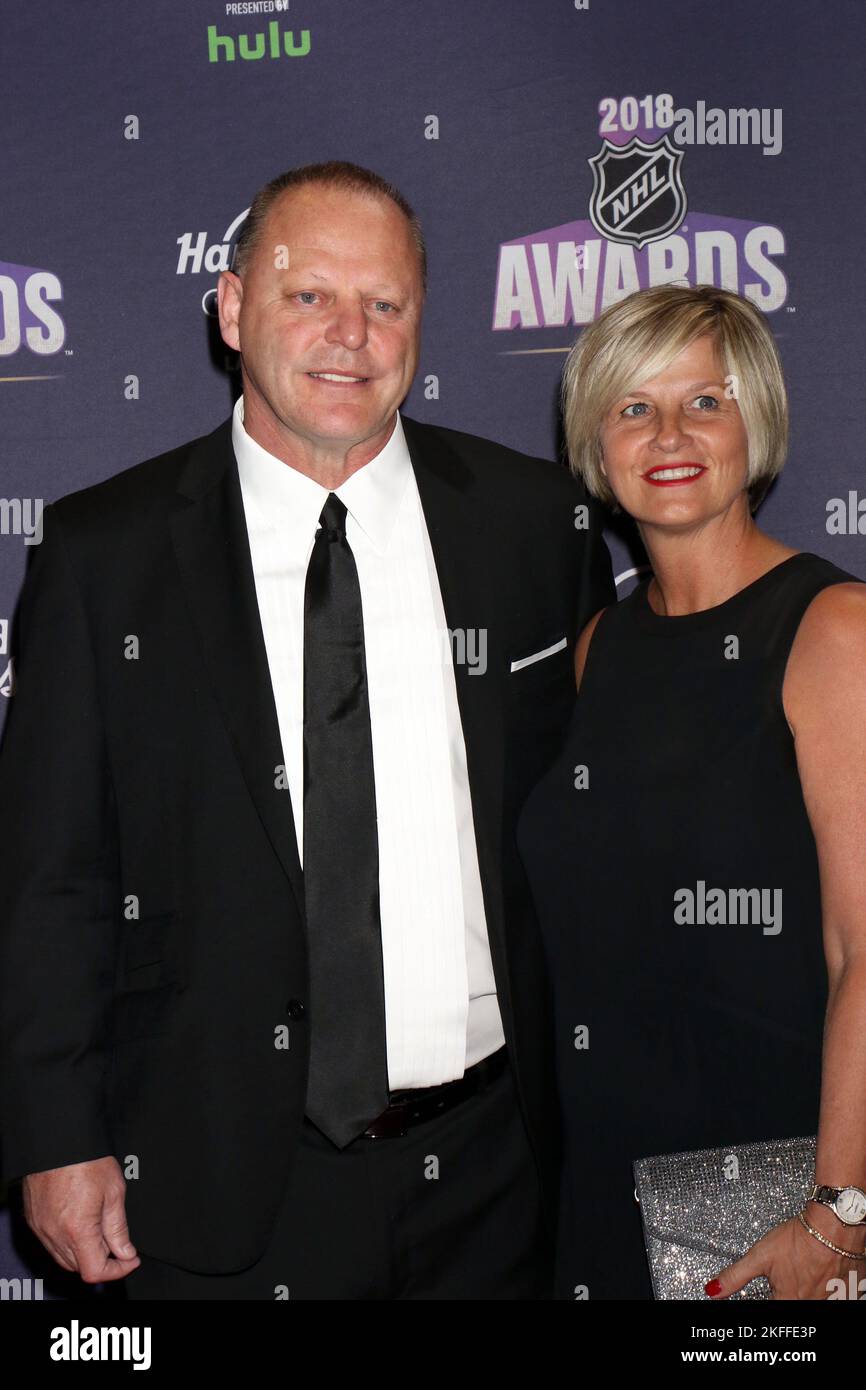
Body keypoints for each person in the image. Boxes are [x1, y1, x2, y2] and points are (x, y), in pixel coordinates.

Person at [0, 161, 614, 1300]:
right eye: (306, 296)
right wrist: (51, 1132)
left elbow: (591, 833)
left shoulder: (534, 527)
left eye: (383, 303)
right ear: (231, 309)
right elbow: (47, 877)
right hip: (213, 1176)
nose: (350, 335)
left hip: (494, 1175)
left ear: (421, 323)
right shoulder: (104, 555)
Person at [516, 284, 866, 1300]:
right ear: (595, 441)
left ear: (752, 422)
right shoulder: (598, 647)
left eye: (702, 400)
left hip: (774, 1199)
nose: (666, 432)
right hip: (603, 1189)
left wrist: (838, 1214)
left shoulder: (830, 631)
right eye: (631, 406)